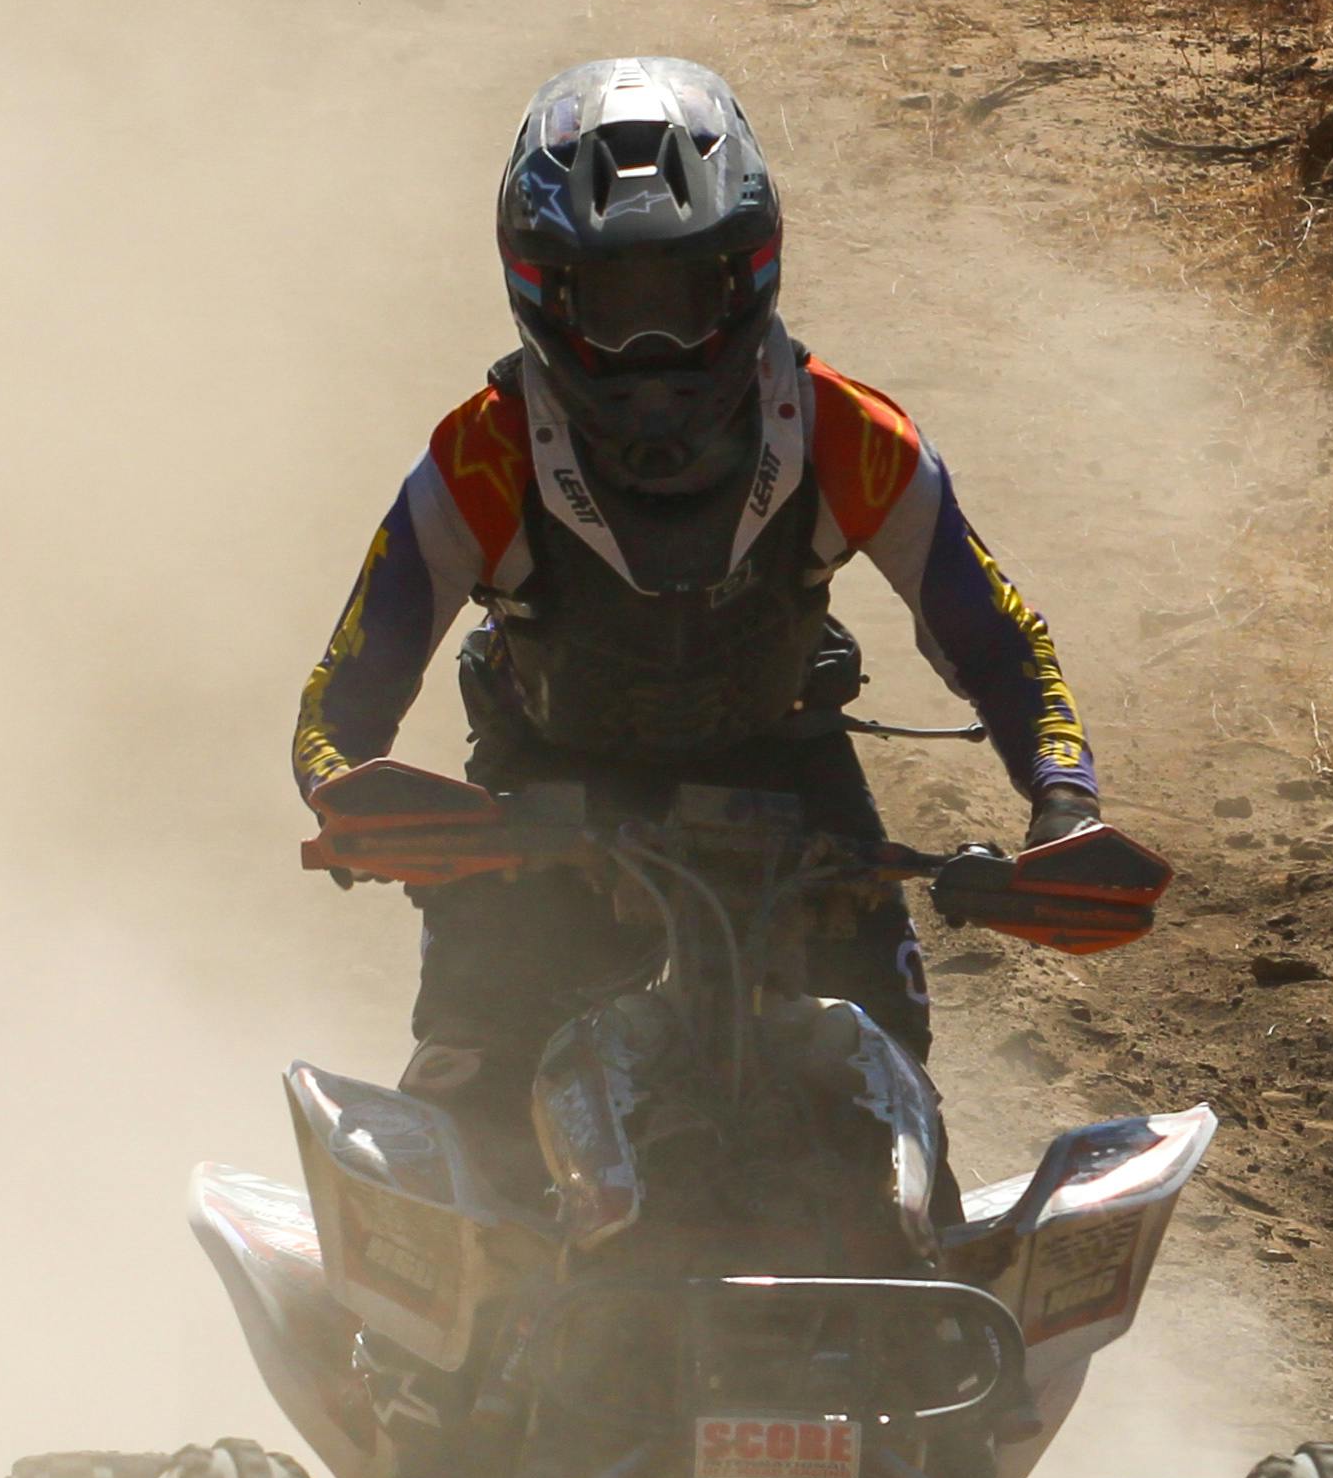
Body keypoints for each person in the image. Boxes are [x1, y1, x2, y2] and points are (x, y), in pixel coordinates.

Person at [289, 57, 1102, 1116]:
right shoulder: (478, 461)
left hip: (794, 794)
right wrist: (350, 788)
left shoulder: (851, 436)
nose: (652, 349)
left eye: (681, 296)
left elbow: (999, 644)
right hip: (541, 801)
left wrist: (1064, 808)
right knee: (467, 1094)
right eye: (615, 304)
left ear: (747, 274)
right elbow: (342, 697)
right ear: (542, 289)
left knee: (896, 1096)